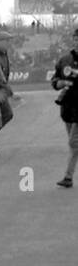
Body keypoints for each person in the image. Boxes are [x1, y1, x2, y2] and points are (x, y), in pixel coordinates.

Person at [51, 28, 78, 188]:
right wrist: (60, 83)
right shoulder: (64, 60)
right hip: (68, 108)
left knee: (74, 143)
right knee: (74, 143)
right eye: (76, 39)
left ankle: (68, 177)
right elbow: (55, 80)